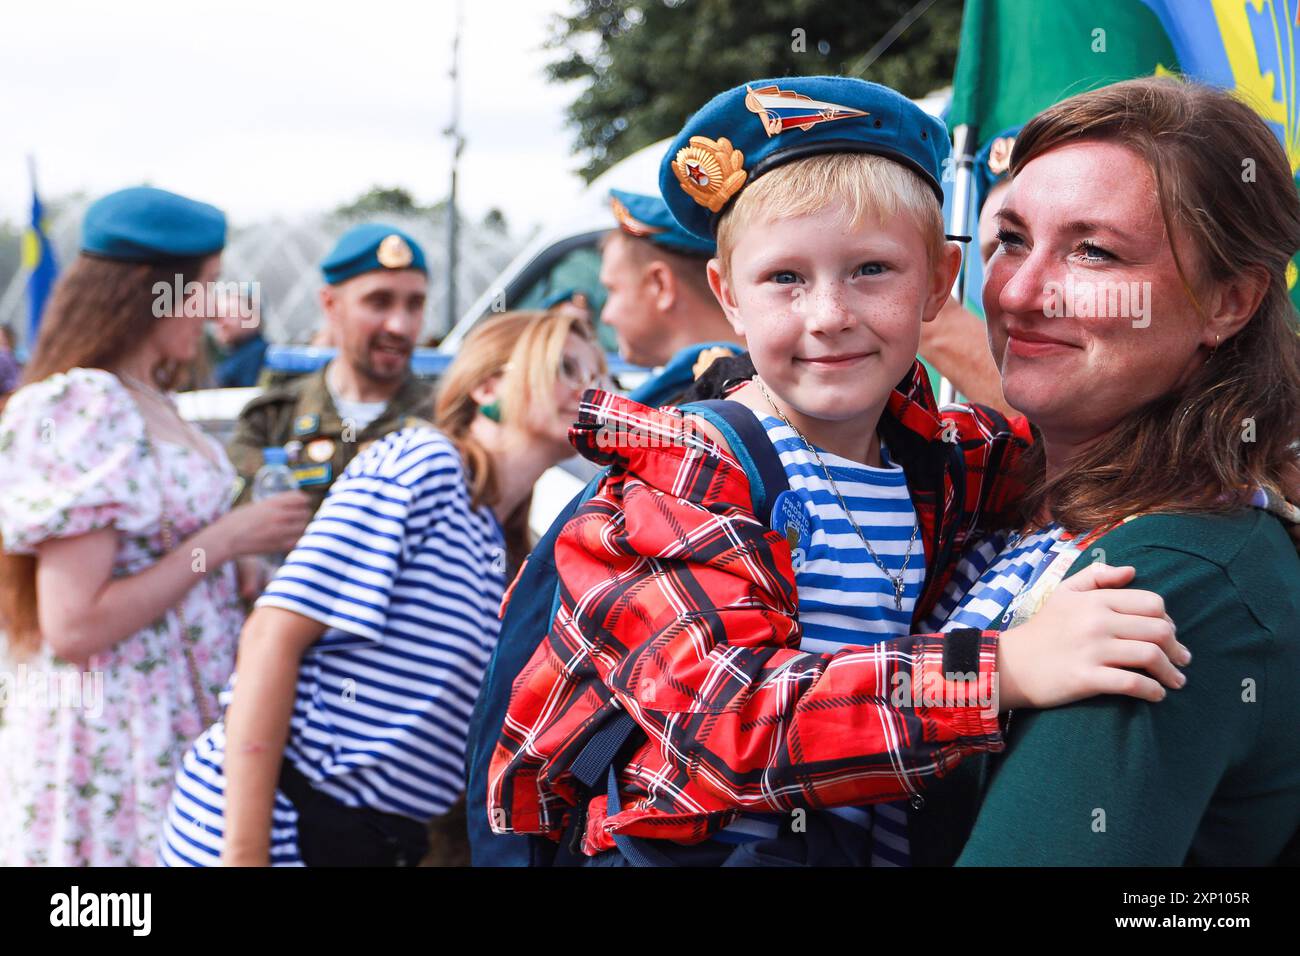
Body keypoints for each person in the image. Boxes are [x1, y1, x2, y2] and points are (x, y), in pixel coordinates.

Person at [487, 77, 1189, 866]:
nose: (828, 314)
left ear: (937, 284)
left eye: (871, 271)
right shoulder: (691, 469)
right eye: (785, 278)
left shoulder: (942, 461)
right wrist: (998, 672)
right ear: (728, 297)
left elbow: (1101, 456)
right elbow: (730, 721)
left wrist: (1250, 460)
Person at [932, 78, 1300, 865]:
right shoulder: (990, 502)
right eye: (1011, 240)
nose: (1021, 294)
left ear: (1228, 302)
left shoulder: (1166, 579)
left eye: (1094, 251)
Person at [160, 308, 608, 867]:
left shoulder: (509, 548)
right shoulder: (425, 464)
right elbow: (272, 636)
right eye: (565, 367)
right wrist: (245, 855)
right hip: (274, 820)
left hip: (365, 839)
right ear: (488, 384)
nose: (590, 390)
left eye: (600, 376)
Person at [0, 186, 311, 866]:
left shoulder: (151, 399)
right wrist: (228, 541)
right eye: (205, 288)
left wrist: (242, 571)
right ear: (153, 293)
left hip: (173, 717)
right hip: (120, 737)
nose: (213, 309)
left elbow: (167, 564)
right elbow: (76, 624)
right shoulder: (85, 402)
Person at [227, 223, 435, 516]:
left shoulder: (449, 420)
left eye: (415, 305)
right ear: (330, 304)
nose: (399, 326)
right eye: (379, 302)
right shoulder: (273, 421)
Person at [600, 188, 745, 406]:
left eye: (613, 290)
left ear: (660, 285)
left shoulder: (673, 414)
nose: (605, 316)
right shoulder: (779, 388)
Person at [208, 287, 268, 388]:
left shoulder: (258, 356)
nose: (222, 323)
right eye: (218, 317)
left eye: (230, 315)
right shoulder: (234, 357)